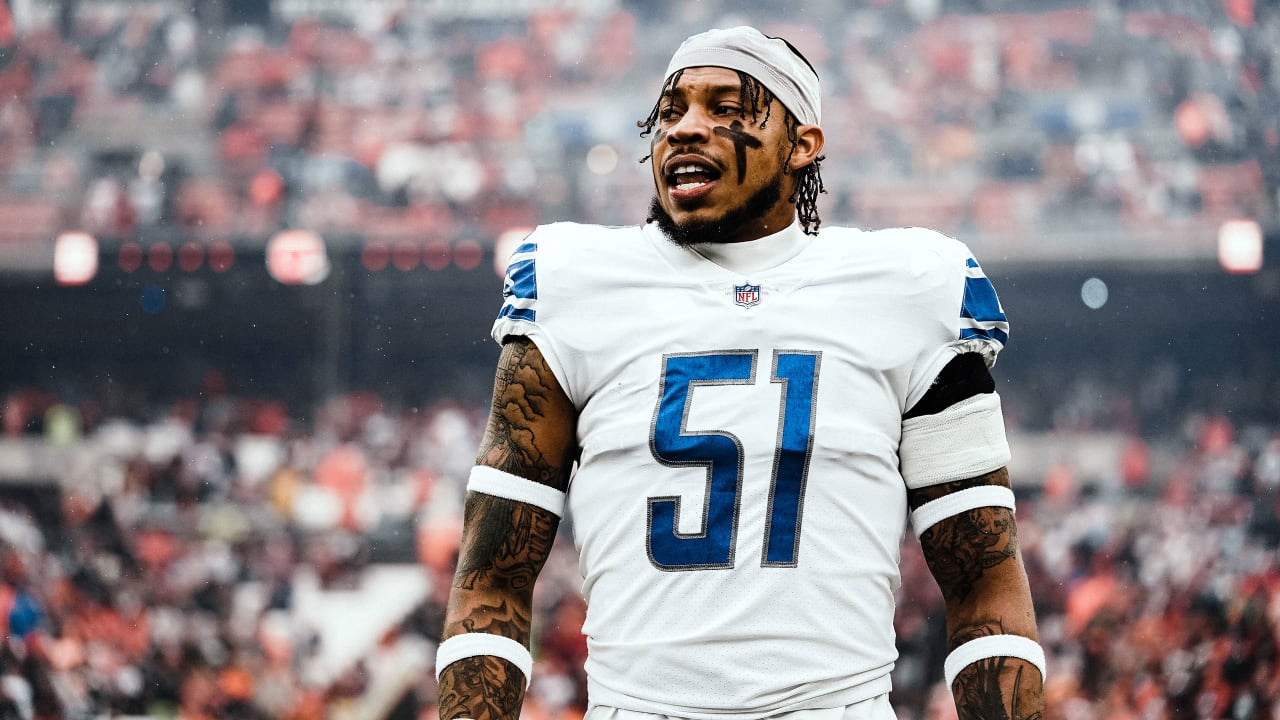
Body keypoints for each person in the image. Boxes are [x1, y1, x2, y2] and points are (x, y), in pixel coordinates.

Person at [435, 26, 1044, 720]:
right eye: (670, 112)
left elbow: (985, 583)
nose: (686, 129)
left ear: (803, 144)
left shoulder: (912, 289)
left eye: (725, 107)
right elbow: (492, 580)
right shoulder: (574, 282)